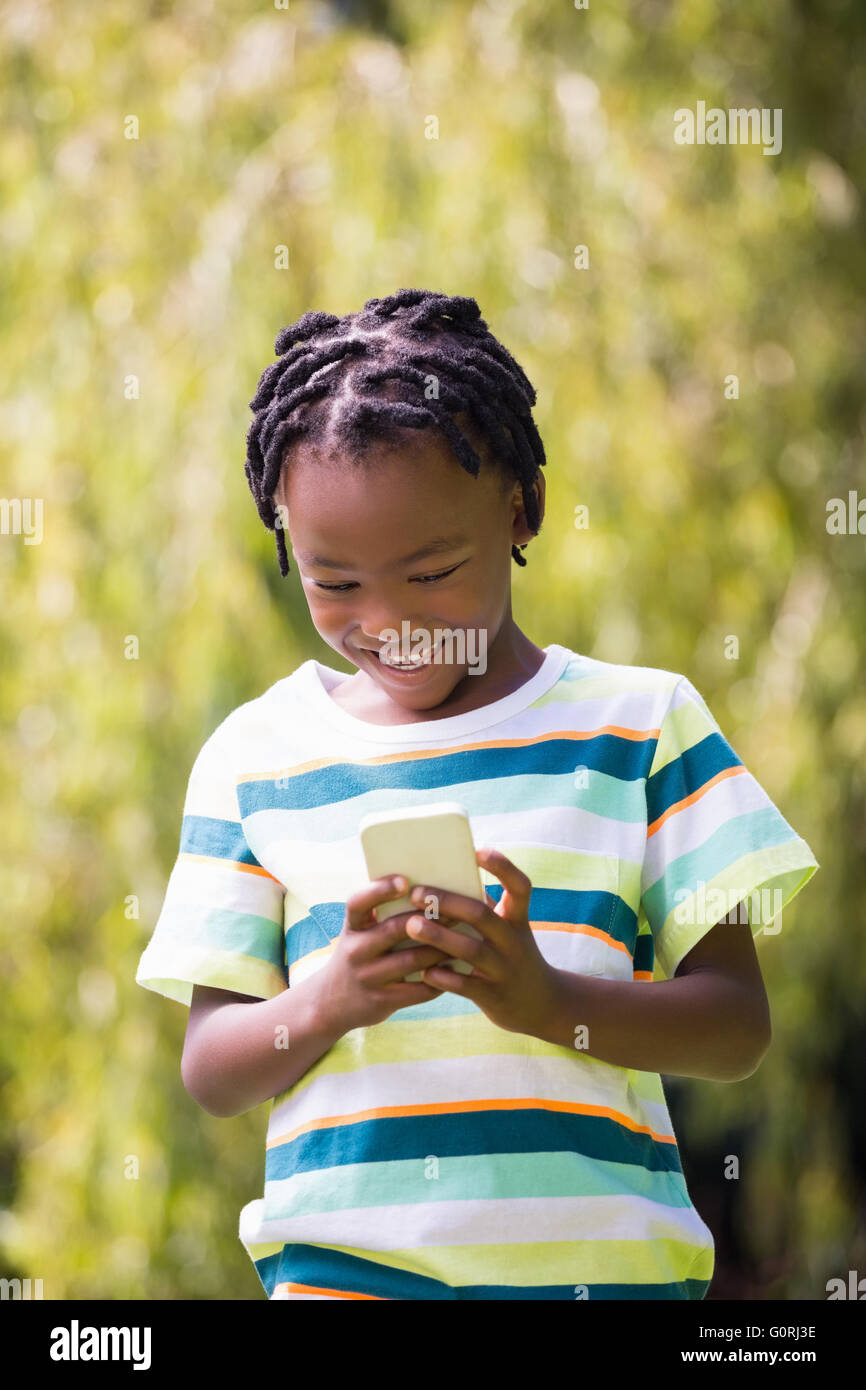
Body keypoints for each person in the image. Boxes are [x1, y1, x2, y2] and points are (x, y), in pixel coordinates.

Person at [135, 287, 819, 1300]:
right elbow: (215, 1069)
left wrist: (550, 1003)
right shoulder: (258, 758)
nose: (386, 621)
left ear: (521, 507)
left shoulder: (636, 729)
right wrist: (328, 998)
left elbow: (732, 1028)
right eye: (334, 582)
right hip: (347, 1281)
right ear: (285, 544)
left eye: (430, 572)